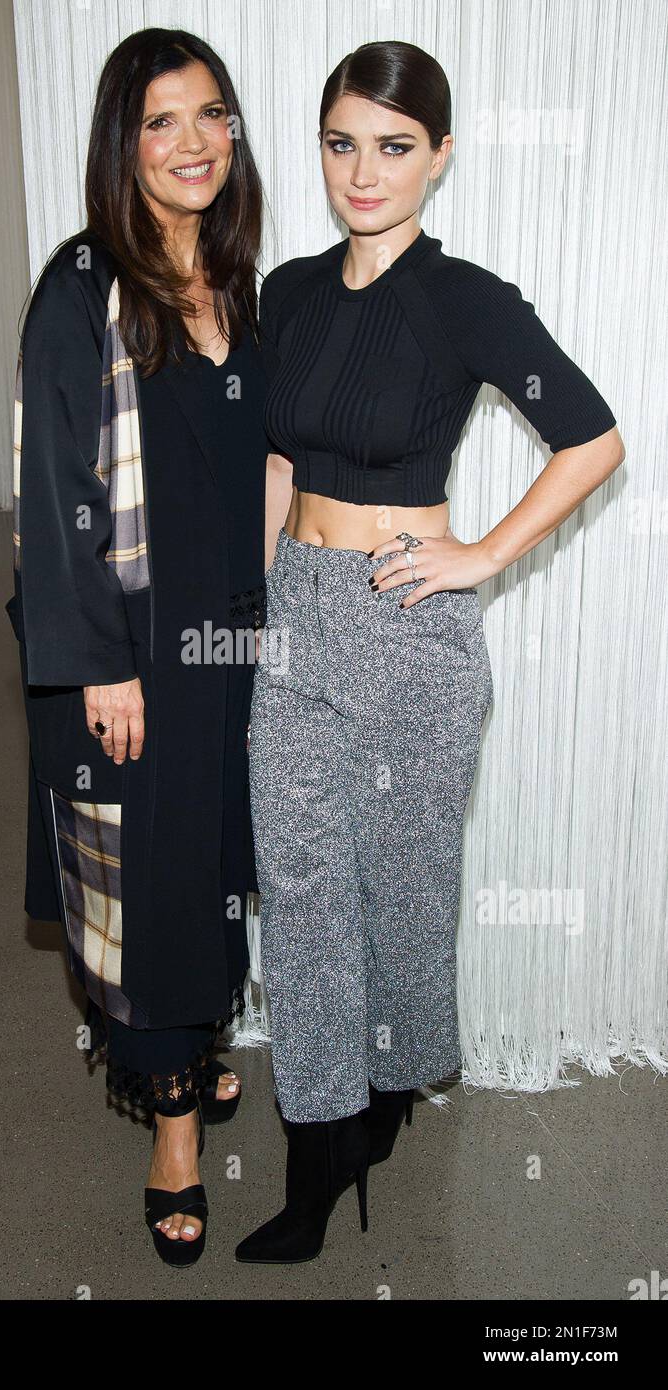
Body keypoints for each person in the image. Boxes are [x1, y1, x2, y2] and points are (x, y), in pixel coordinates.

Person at [235, 40, 625, 1265]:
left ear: (439, 156)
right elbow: (278, 460)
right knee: (298, 894)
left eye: (394, 147)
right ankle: (317, 1148)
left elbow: (591, 438)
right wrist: (260, 602)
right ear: (320, 148)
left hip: (411, 629)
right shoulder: (288, 291)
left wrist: (479, 555)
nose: (364, 171)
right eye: (342, 142)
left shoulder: (463, 298)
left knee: (400, 895)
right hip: (298, 615)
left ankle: (392, 1092)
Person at [6, 28, 267, 1267]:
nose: (191, 142)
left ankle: (198, 1045)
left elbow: (253, 464)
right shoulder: (80, 289)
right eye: (160, 121)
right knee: (150, 891)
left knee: (212, 858)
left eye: (210, 114)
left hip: (222, 649)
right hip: (129, 658)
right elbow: (52, 494)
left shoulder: (235, 275)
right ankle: (172, 1134)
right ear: (123, 140)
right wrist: (102, 661)